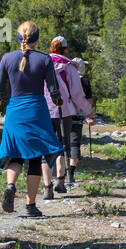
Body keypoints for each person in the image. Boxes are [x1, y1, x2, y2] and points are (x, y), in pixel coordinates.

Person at [0, 21, 63, 217]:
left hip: (15, 111)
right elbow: (53, 89)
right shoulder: (45, 60)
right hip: (36, 110)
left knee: (15, 154)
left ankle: (10, 185)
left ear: (18, 37)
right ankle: (30, 205)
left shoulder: (7, 58)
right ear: (37, 38)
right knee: (34, 158)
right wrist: (59, 101)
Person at [42, 38, 93, 195]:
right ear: (65, 49)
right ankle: (60, 181)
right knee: (63, 146)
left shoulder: (42, 64)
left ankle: (47, 188)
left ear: (51, 48)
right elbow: (77, 95)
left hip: (44, 111)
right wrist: (89, 111)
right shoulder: (69, 67)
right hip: (65, 112)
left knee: (46, 149)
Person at [65, 57, 95, 185]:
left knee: (63, 141)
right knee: (74, 143)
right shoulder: (84, 81)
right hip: (77, 115)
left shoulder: (65, 78)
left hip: (63, 114)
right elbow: (88, 100)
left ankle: (62, 171)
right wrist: (89, 115)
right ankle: (70, 172)